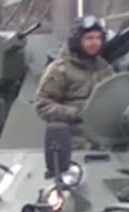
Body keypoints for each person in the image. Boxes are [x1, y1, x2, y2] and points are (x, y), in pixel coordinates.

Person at [35, 15, 115, 149]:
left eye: (98, 38)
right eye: (89, 38)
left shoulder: (105, 69)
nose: (95, 43)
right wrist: (76, 113)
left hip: (104, 144)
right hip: (71, 146)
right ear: (77, 40)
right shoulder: (60, 69)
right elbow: (43, 106)